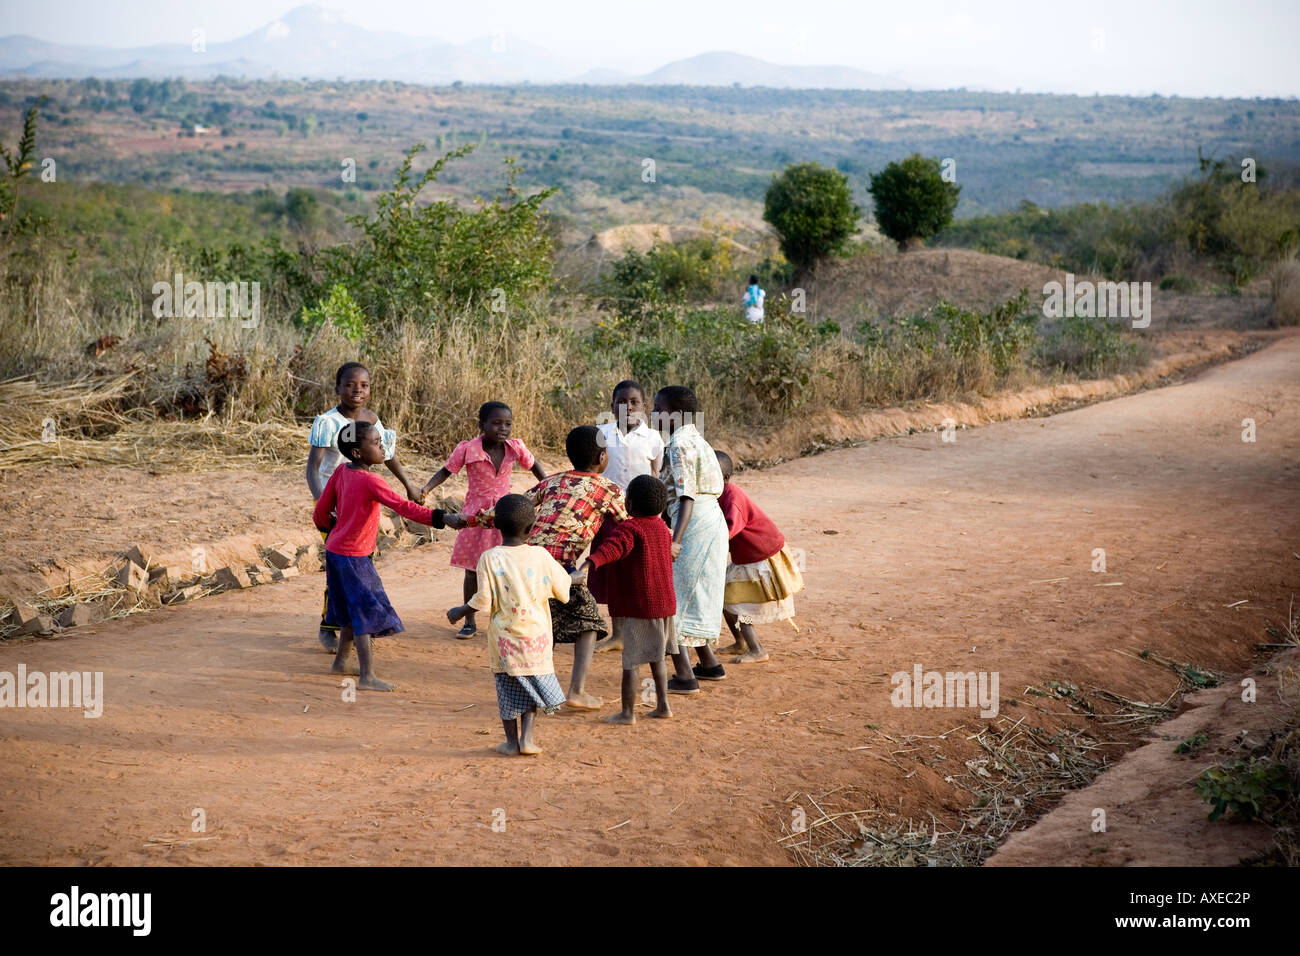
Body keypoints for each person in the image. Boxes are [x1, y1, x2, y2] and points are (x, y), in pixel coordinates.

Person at [463, 425, 627, 710]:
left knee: (541, 622)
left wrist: (473, 519)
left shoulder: (553, 480)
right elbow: (631, 524)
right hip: (557, 565)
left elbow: (514, 505)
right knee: (589, 623)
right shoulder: (609, 490)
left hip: (527, 557)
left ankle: (536, 693)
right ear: (602, 458)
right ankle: (576, 691)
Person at [313, 421, 450, 691]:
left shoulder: (341, 471)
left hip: (336, 551)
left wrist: (332, 532)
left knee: (353, 609)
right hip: (354, 557)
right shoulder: (371, 481)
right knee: (364, 611)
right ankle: (367, 676)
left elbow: (321, 511)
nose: (383, 447)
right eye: (376, 443)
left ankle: (341, 662)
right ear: (357, 453)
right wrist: (443, 518)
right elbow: (405, 507)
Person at [307, 362, 422, 653]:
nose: (357, 390)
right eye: (350, 385)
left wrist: (409, 485)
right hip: (332, 502)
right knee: (344, 565)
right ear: (337, 389)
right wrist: (324, 504)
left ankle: (356, 625)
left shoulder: (371, 420)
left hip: (361, 501)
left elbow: (388, 455)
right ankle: (330, 627)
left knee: (356, 565)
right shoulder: (328, 422)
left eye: (364, 385)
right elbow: (313, 468)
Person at [447, 494, 571, 757]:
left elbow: (483, 599)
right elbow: (563, 590)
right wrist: (577, 579)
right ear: (531, 528)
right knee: (530, 688)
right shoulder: (540, 555)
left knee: (508, 690)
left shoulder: (489, 558)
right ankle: (527, 739)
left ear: (497, 527)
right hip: (536, 639)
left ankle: (510, 742)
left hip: (504, 640)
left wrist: (461, 610)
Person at [420, 401, 547, 638]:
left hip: (506, 515)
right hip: (475, 517)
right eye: (496, 423)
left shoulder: (515, 447)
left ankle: (508, 618)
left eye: (508, 424)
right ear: (482, 425)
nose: (503, 428)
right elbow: (446, 471)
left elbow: (535, 466)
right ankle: (469, 621)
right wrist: (426, 488)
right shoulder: (467, 449)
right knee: (472, 569)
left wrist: (549, 486)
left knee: (507, 567)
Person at [573, 474, 676, 724]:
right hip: (665, 606)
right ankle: (662, 705)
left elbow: (612, 548)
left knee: (631, 662)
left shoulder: (631, 528)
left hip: (641, 606)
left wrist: (589, 563)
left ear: (629, 504)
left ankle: (628, 712)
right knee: (657, 658)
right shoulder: (662, 528)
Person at [653, 385, 728, 694]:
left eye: (658, 408)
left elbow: (686, 496)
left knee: (674, 597)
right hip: (713, 521)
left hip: (693, 524)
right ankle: (709, 662)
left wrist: (676, 540)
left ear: (675, 414)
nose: (654, 414)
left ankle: (684, 675)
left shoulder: (678, 444)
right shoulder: (698, 440)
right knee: (695, 592)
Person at [590, 379, 663, 651]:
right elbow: (593, 470)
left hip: (641, 518)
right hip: (607, 514)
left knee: (640, 573)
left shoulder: (654, 438)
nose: (628, 407)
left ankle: (642, 634)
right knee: (612, 573)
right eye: (621, 402)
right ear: (612, 406)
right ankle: (618, 634)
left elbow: (657, 477)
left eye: (634, 402)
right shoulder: (601, 433)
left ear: (643, 407)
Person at [714, 450, 804, 664]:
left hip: (760, 556)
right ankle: (741, 643)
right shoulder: (717, 494)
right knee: (725, 600)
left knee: (738, 604)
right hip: (746, 556)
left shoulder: (733, 497)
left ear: (725, 477)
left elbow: (728, 531)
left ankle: (757, 649)